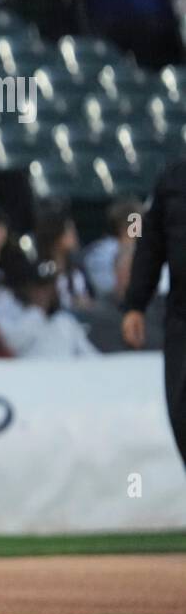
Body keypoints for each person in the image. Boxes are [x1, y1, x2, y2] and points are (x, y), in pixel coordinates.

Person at [123, 157, 186, 464]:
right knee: (182, 413)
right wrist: (135, 303)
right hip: (182, 319)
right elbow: (151, 244)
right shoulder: (173, 179)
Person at [0, 260, 98, 358]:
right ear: (26, 288)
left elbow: (91, 356)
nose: (44, 293)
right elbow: (11, 343)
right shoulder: (8, 313)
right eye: (38, 288)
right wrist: (36, 313)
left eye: (48, 287)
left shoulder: (63, 320)